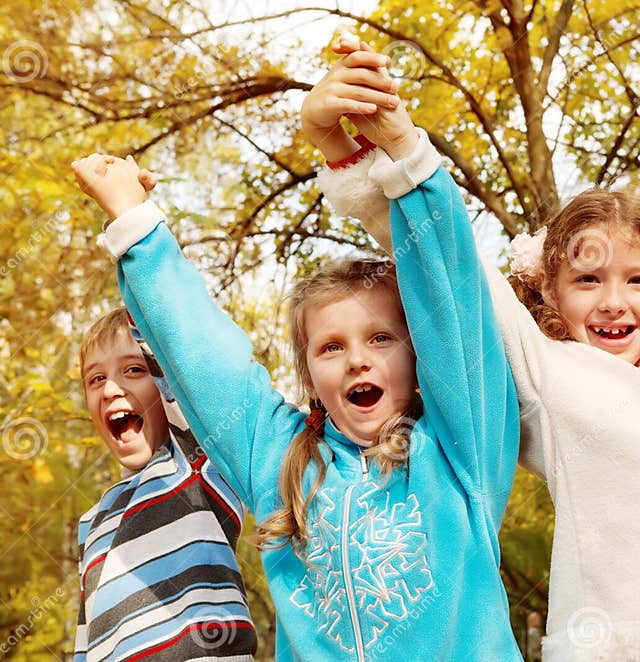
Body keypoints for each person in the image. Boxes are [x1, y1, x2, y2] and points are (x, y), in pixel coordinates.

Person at [303, 38, 640, 661]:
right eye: (588, 281)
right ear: (549, 294)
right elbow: (451, 269)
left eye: (636, 280)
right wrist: (383, 147)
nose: (615, 302)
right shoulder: (549, 375)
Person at [70, 147, 522, 659]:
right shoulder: (281, 465)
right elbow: (205, 361)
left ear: (419, 356)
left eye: (380, 339)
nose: (356, 360)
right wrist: (134, 220)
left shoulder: (460, 452)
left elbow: (455, 309)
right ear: (308, 375)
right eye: (331, 347)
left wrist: (406, 155)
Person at [75, 307, 256, 660]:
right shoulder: (91, 522)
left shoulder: (196, 470)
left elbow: (180, 363)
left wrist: (135, 270)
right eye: (96, 379)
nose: (111, 388)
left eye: (134, 370)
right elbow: (88, 641)